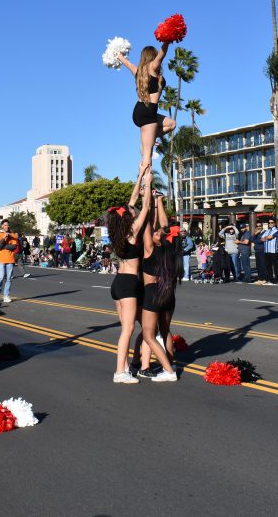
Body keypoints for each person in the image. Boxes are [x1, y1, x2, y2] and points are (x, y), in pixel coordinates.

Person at [106, 164, 152, 384]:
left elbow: (132, 202)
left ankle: (124, 366)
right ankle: (119, 372)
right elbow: (145, 208)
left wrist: (141, 174)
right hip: (128, 283)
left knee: (126, 327)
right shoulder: (133, 232)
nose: (131, 209)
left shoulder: (119, 232)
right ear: (129, 218)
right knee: (128, 328)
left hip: (118, 283)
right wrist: (149, 186)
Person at [136, 188, 179, 382]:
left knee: (149, 335)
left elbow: (146, 223)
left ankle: (169, 370)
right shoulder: (170, 250)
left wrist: (148, 200)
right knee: (165, 331)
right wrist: (158, 201)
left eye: (156, 234)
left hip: (152, 293)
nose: (154, 232)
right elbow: (165, 227)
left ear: (158, 240)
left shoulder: (150, 249)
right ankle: (171, 361)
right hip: (169, 293)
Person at [118, 43, 177, 170]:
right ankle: (145, 187)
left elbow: (127, 64)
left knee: (171, 124)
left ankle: (148, 139)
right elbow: (162, 54)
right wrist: (166, 41)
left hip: (139, 111)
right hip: (148, 111)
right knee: (147, 156)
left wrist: (119, 55)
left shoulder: (138, 71)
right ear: (152, 56)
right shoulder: (153, 67)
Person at [0, 220, 18, 303]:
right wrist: (4, 238)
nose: (7, 226)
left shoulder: (12, 236)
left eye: (8, 225)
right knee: (0, 277)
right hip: (1, 259)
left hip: (10, 259)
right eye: (5, 225)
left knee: (9, 279)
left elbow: (14, 247)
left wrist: (4, 246)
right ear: (2, 226)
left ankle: (6, 296)